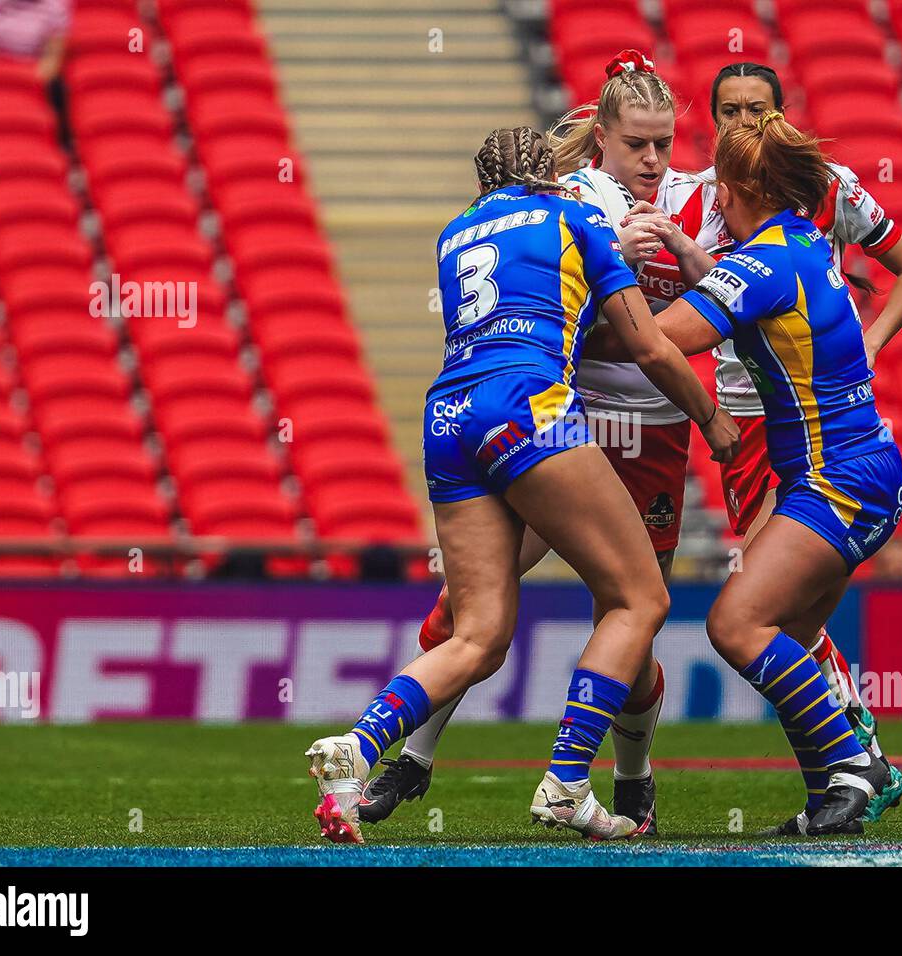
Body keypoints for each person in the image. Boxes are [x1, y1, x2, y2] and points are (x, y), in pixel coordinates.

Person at [304, 126, 739, 844]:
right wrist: (711, 417)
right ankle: (567, 780)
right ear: (552, 177)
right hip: (530, 408)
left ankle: (357, 748)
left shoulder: (454, 233)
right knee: (639, 598)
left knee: (477, 633)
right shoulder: (578, 216)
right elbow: (647, 344)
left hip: (448, 419)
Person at [628, 62, 902, 828]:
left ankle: (858, 766)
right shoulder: (799, 243)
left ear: (745, 194)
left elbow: (659, 343)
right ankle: (831, 795)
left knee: (735, 625)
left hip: (839, 480)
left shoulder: (765, 261)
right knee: (792, 636)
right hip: (854, 473)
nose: (715, 200)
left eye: (723, 191)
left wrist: (582, 299)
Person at [0, 0, 73, 145]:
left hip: (32, 76)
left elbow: (52, 60)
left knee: (58, 88)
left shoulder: (55, 7)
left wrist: (23, 82)